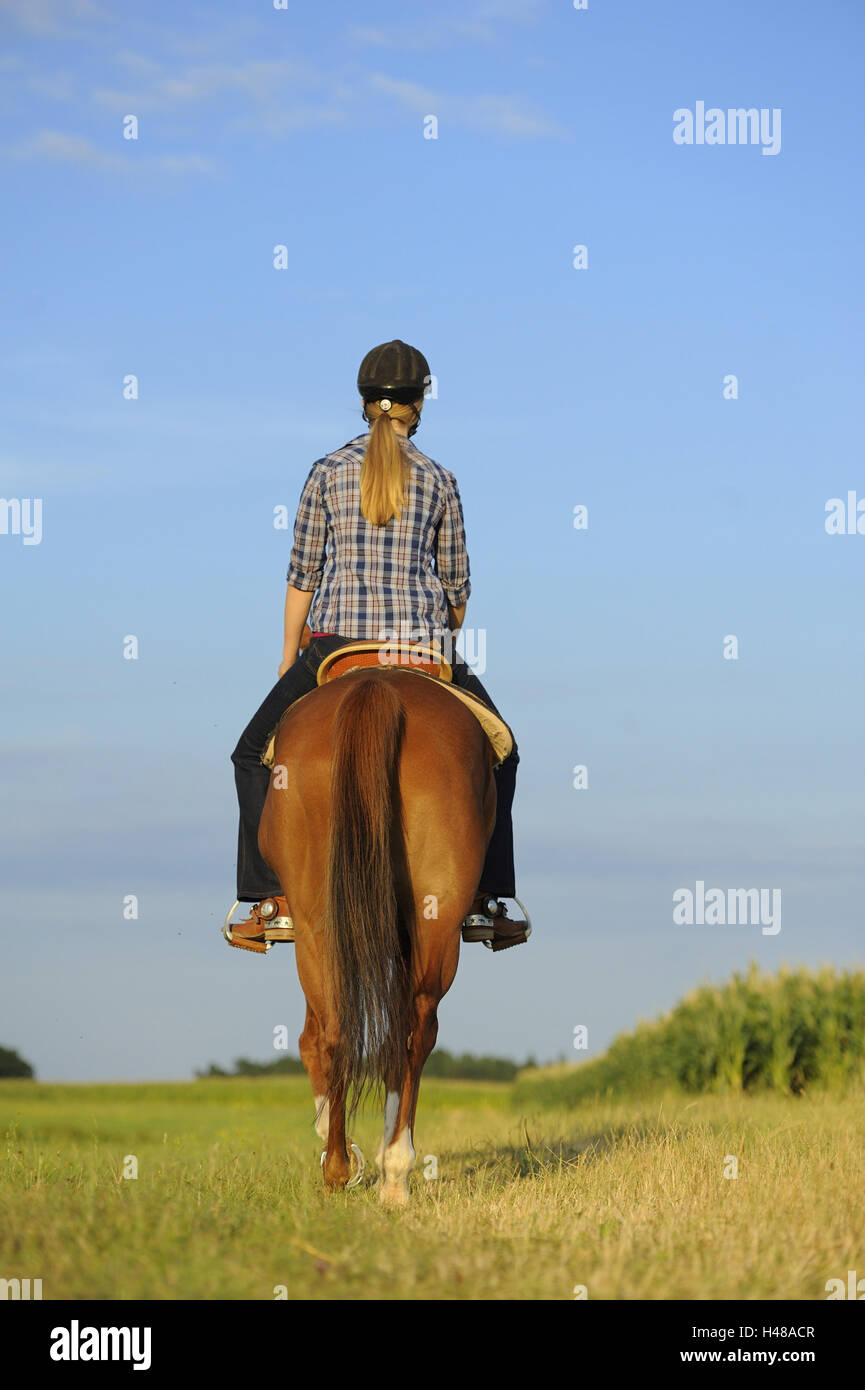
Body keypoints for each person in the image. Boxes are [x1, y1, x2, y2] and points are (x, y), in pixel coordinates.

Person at [228, 340, 527, 949]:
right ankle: (485, 898)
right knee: (501, 753)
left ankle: (268, 900)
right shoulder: (441, 480)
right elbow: (457, 587)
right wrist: (442, 647)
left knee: (250, 753)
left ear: (363, 403)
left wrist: (290, 657)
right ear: (419, 403)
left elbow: (302, 575)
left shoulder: (326, 471)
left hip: (335, 646)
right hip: (421, 648)